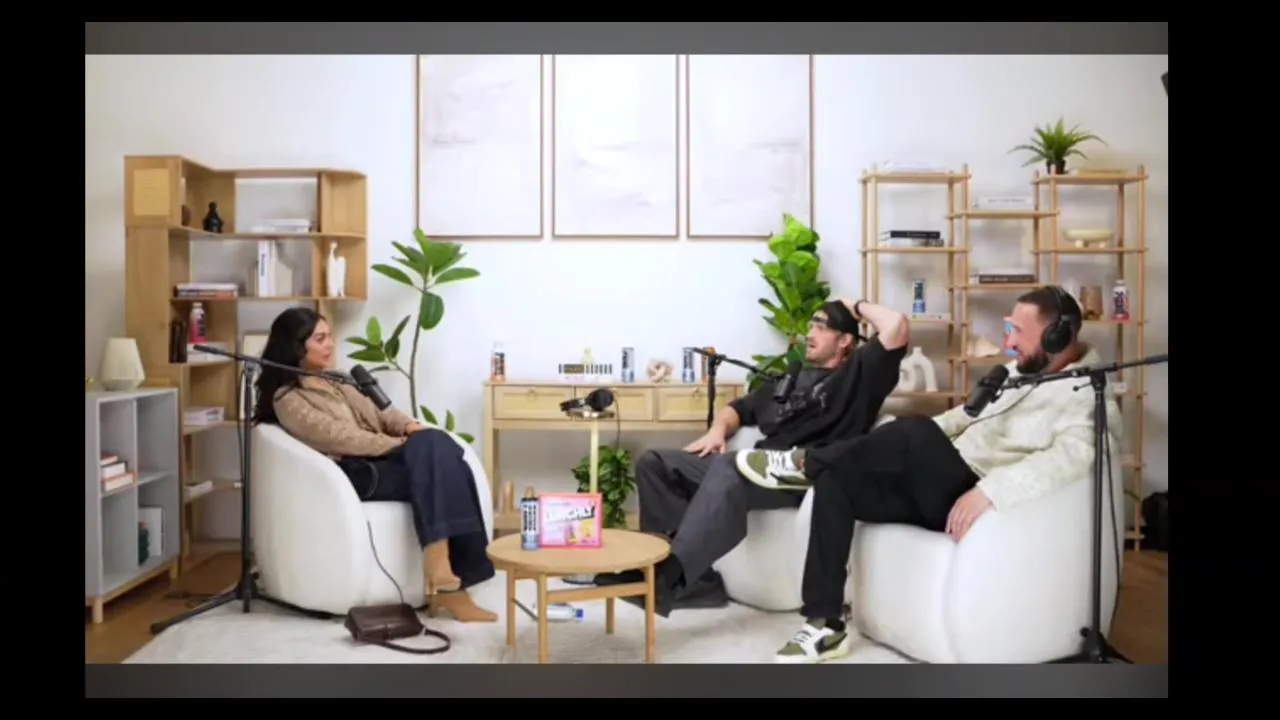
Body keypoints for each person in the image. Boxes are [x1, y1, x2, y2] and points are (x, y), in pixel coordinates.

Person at [735, 286, 1123, 663]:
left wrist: (991, 490)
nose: (1009, 343)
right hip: (940, 481)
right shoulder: (1016, 372)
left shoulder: (1085, 395)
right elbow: (961, 418)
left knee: (913, 429)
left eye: (1018, 332)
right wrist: (905, 446)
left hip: (973, 490)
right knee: (838, 483)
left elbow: (1074, 456)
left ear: (1056, 336)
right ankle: (825, 624)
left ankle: (804, 463)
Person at [595, 298, 910, 616]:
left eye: (821, 326)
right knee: (656, 464)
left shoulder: (860, 376)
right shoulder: (789, 381)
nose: (810, 333)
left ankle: (666, 580)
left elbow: (896, 325)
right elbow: (737, 410)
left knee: (731, 465)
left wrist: (854, 305)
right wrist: (717, 431)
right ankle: (695, 583)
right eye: (810, 325)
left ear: (845, 341)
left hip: (801, 473)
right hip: (755, 468)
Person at [251, 307, 497, 623]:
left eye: (330, 336)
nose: (330, 345)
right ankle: (450, 582)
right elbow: (339, 438)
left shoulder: (339, 379)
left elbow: (384, 413)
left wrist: (409, 428)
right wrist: (400, 444)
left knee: (437, 447)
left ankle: (442, 572)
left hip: (385, 461)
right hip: (355, 473)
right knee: (445, 462)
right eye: (320, 339)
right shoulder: (288, 398)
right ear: (295, 346)